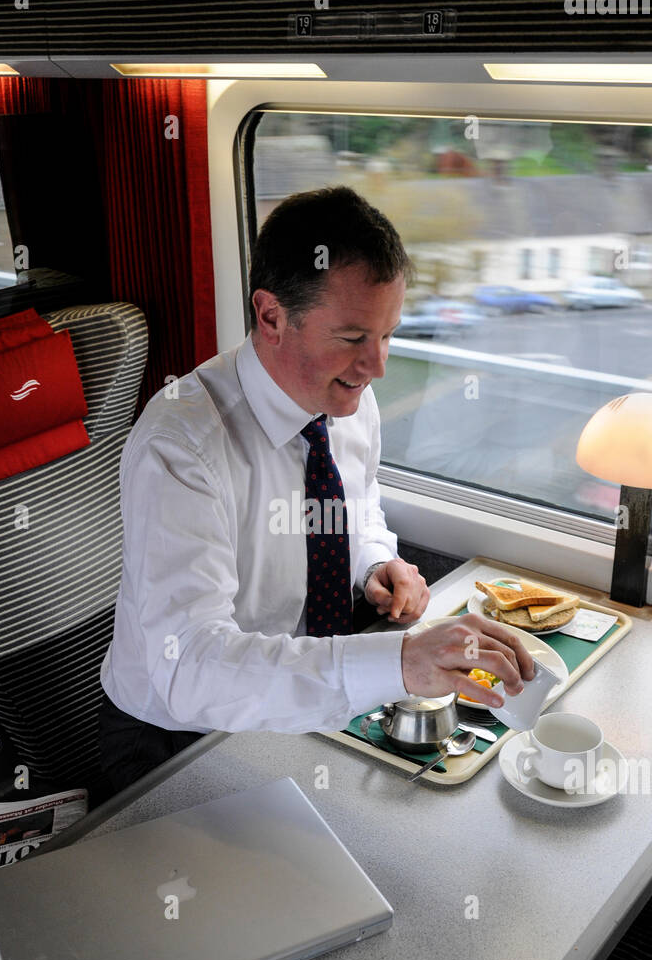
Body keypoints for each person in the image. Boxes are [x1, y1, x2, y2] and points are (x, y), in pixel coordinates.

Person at [99, 186, 533, 794]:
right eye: (354, 338)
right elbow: (188, 666)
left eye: (387, 335)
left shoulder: (350, 398)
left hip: (308, 701)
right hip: (178, 737)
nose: (377, 366)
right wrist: (402, 661)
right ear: (271, 316)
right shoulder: (181, 445)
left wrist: (376, 562)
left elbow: (359, 508)